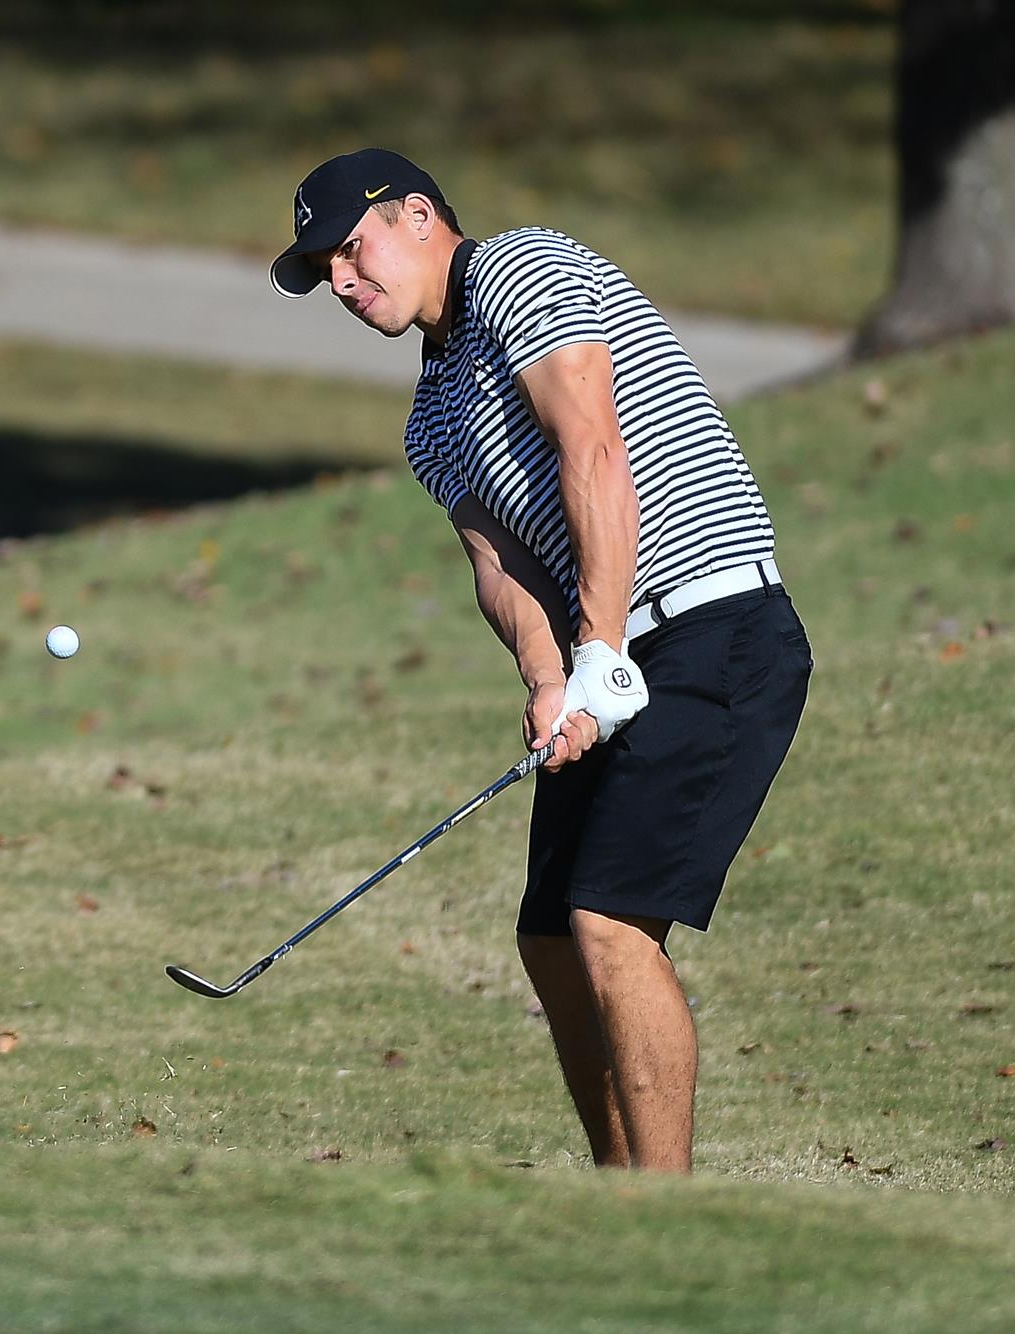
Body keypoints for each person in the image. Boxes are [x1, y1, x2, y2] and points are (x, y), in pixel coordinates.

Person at [270, 148, 812, 1173]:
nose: (340, 281)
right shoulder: (429, 418)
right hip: (613, 655)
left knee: (607, 921)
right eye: (323, 269)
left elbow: (591, 445)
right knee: (551, 938)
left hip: (717, 625)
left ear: (417, 216)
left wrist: (598, 644)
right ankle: (615, 1198)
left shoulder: (520, 269)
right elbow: (501, 566)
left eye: (350, 249)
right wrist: (549, 676)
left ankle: (665, 1218)